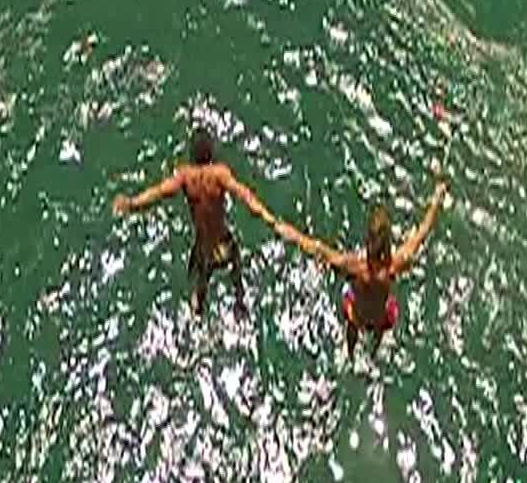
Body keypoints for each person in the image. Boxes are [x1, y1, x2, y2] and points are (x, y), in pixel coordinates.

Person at [272, 175, 448, 359]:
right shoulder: (394, 266)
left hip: (358, 315)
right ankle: (372, 355)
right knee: (379, 330)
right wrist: (437, 198)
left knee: (352, 327)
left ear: (368, 240)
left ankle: (350, 356)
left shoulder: (357, 267)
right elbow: (421, 233)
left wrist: (285, 231)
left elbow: (318, 249)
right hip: (381, 317)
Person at [112, 129, 277, 317]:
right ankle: (239, 303)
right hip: (224, 243)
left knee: (201, 283)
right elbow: (244, 194)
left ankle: (197, 311)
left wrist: (132, 203)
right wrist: (266, 215)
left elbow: (159, 192)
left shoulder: (185, 177)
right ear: (211, 152)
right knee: (235, 268)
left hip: (204, 248)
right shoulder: (219, 174)